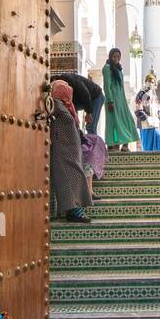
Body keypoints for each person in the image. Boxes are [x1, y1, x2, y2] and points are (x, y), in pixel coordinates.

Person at [51, 77, 107, 204]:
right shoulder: (60, 108)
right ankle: (82, 199)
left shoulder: (70, 95)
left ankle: (88, 193)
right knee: (88, 154)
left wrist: (89, 112)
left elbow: (86, 94)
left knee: (91, 138)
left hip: (74, 147)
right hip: (67, 152)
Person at [48, 79, 92, 223]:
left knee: (75, 176)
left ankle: (76, 208)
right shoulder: (56, 104)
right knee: (68, 178)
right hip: (63, 148)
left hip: (71, 148)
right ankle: (73, 211)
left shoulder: (66, 105)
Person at [102, 48, 139, 150]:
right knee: (113, 122)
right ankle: (112, 144)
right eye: (114, 56)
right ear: (110, 56)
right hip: (112, 100)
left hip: (121, 100)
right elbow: (107, 86)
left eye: (118, 57)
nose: (116, 58)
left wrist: (123, 100)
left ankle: (124, 144)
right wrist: (110, 101)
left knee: (127, 120)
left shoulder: (118, 69)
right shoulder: (107, 68)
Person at [54, 70, 105, 135]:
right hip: (83, 100)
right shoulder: (61, 85)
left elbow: (85, 93)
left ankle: (94, 144)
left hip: (96, 96)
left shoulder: (70, 80)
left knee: (90, 126)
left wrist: (88, 113)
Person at [135, 74, 160, 152]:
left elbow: (158, 108)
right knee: (147, 147)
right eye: (149, 81)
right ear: (145, 82)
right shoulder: (141, 93)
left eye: (152, 82)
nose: (151, 83)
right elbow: (138, 109)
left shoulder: (154, 95)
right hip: (145, 124)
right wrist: (146, 118)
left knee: (156, 147)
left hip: (155, 123)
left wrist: (158, 119)